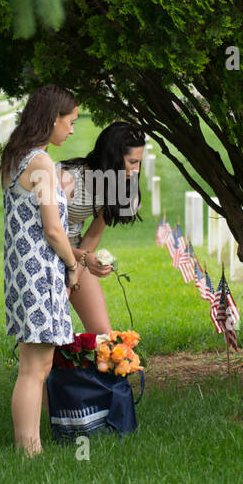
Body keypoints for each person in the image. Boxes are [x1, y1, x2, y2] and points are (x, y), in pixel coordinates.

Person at [0, 85, 82, 456]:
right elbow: (52, 228)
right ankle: (28, 450)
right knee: (35, 368)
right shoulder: (41, 162)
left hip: (22, 273)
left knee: (34, 364)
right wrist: (72, 263)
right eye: (70, 122)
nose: (72, 130)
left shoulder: (17, 156)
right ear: (53, 119)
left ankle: (29, 446)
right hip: (40, 274)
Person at [57, 122, 145, 335]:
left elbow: (94, 232)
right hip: (46, 248)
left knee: (102, 335)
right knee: (52, 333)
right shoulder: (66, 179)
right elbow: (49, 233)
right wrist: (80, 261)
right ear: (113, 157)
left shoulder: (117, 184)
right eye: (132, 162)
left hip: (75, 249)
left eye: (139, 163)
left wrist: (76, 273)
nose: (137, 170)